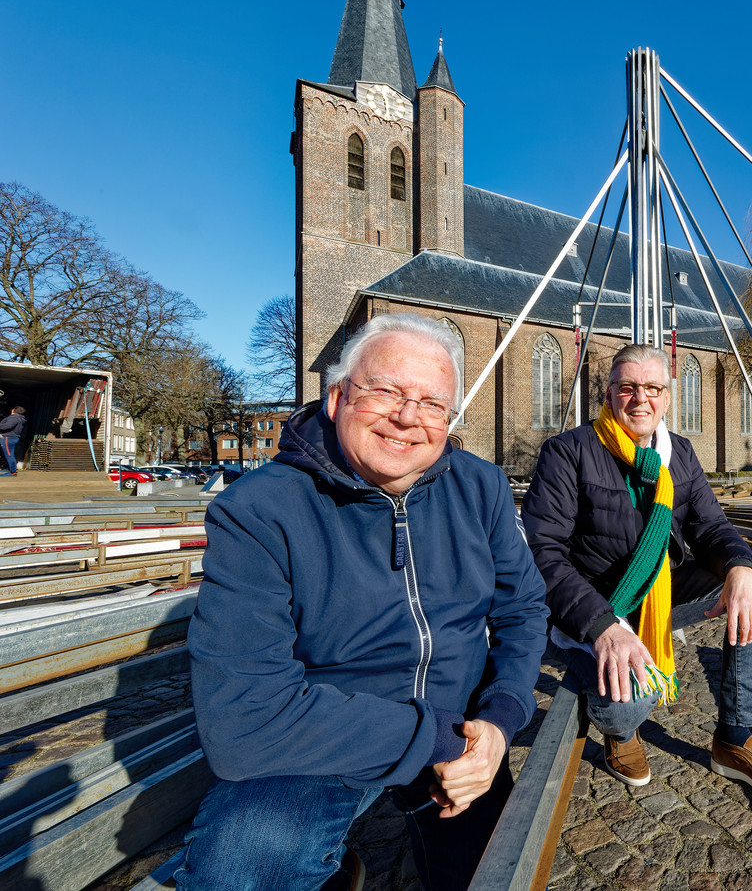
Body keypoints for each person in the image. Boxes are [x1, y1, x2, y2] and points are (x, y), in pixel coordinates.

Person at [176, 314, 549, 891]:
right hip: (327, 735)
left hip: (463, 723)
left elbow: (522, 610)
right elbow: (244, 714)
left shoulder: (481, 486)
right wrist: (437, 736)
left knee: (495, 873)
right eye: (386, 391)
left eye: (432, 404)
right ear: (336, 397)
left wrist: (499, 721)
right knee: (244, 864)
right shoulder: (259, 510)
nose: (407, 417)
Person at [521, 344, 752, 802]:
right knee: (629, 705)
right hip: (594, 611)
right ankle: (621, 733)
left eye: (652, 388)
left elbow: (711, 526)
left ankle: (734, 737)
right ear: (610, 392)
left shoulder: (680, 455)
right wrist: (601, 626)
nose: (641, 399)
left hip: (657, 596)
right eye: (628, 388)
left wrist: (738, 568)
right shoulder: (569, 451)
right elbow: (543, 553)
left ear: (667, 397)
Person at [0, 406, 25, 476]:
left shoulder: (14, 418)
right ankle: (8, 468)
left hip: (8, 438)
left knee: (9, 454)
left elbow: (8, 426)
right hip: (13, 438)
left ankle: (12, 472)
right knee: (6, 453)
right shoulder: (20, 418)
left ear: (12, 410)